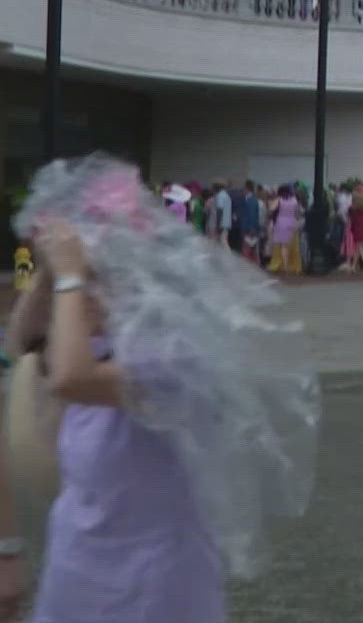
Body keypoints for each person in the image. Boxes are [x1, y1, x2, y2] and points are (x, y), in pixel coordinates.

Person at [10, 155, 319, 620]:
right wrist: (53, 272)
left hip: (153, 584)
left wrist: (72, 275)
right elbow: (22, 343)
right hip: (78, 571)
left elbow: (71, 379)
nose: (73, 301)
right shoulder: (101, 341)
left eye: (94, 281)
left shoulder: (175, 353)